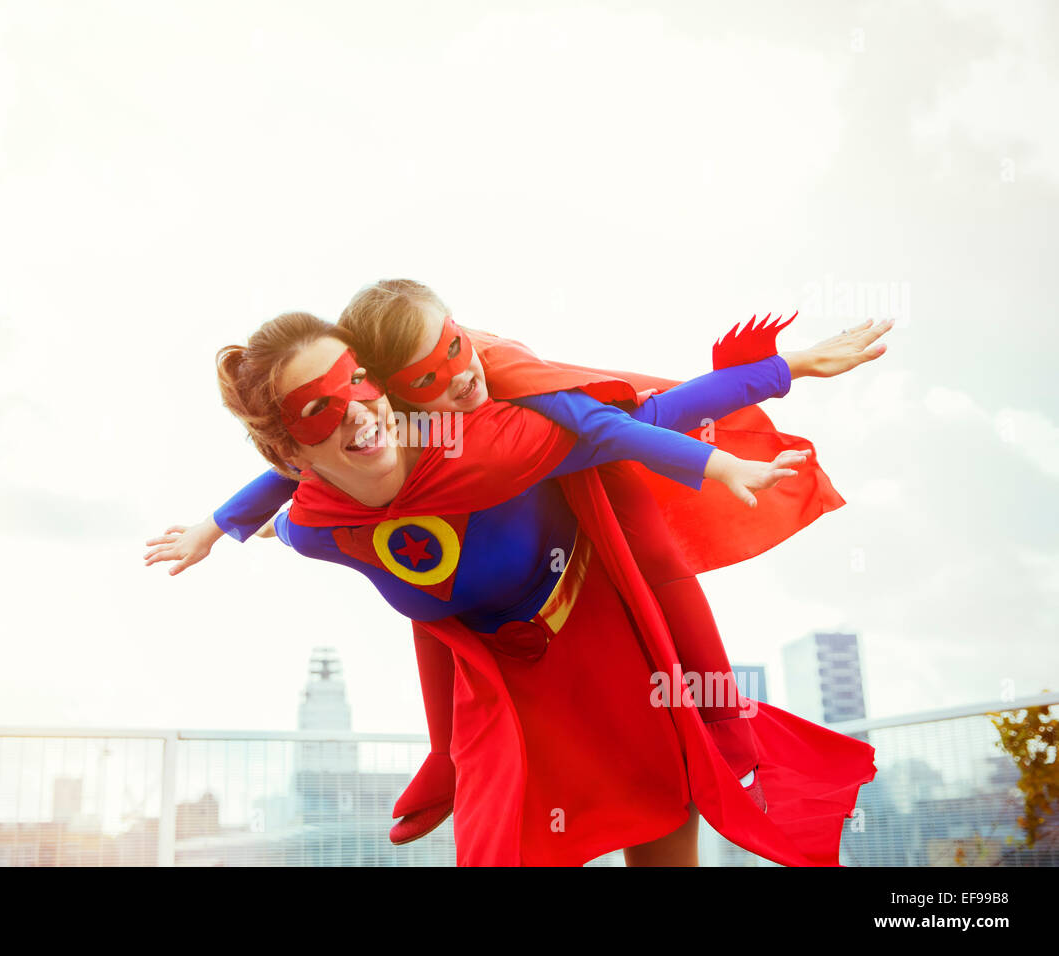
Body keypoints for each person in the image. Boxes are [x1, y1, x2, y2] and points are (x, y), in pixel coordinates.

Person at [150, 279, 892, 844]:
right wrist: (224, 527)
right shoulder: (318, 521)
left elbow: (637, 419)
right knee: (503, 827)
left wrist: (775, 381)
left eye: (356, 386)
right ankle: (444, 755)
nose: (354, 413)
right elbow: (296, 475)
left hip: (592, 615)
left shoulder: (498, 439)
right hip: (495, 674)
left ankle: (725, 716)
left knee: (666, 786)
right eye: (320, 411)